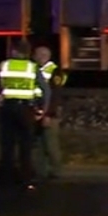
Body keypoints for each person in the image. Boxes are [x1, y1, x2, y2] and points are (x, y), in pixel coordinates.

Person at [0, 41, 41, 188]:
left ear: (14, 51)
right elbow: (45, 89)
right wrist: (42, 108)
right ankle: (26, 179)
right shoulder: (32, 67)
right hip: (25, 109)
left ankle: (6, 179)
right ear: (27, 53)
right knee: (25, 146)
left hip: (7, 107)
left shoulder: (4, 65)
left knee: (7, 145)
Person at [32, 44, 65, 179]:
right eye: (38, 55)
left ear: (49, 56)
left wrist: (49, 114)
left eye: (43, 55)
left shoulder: (55, 71)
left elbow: (55, 94)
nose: (40, 57)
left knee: (50, 143)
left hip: (49, 112)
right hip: (36, 110)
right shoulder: (33, 69)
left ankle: (56, 170)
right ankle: (41, 171)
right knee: (38, 144)